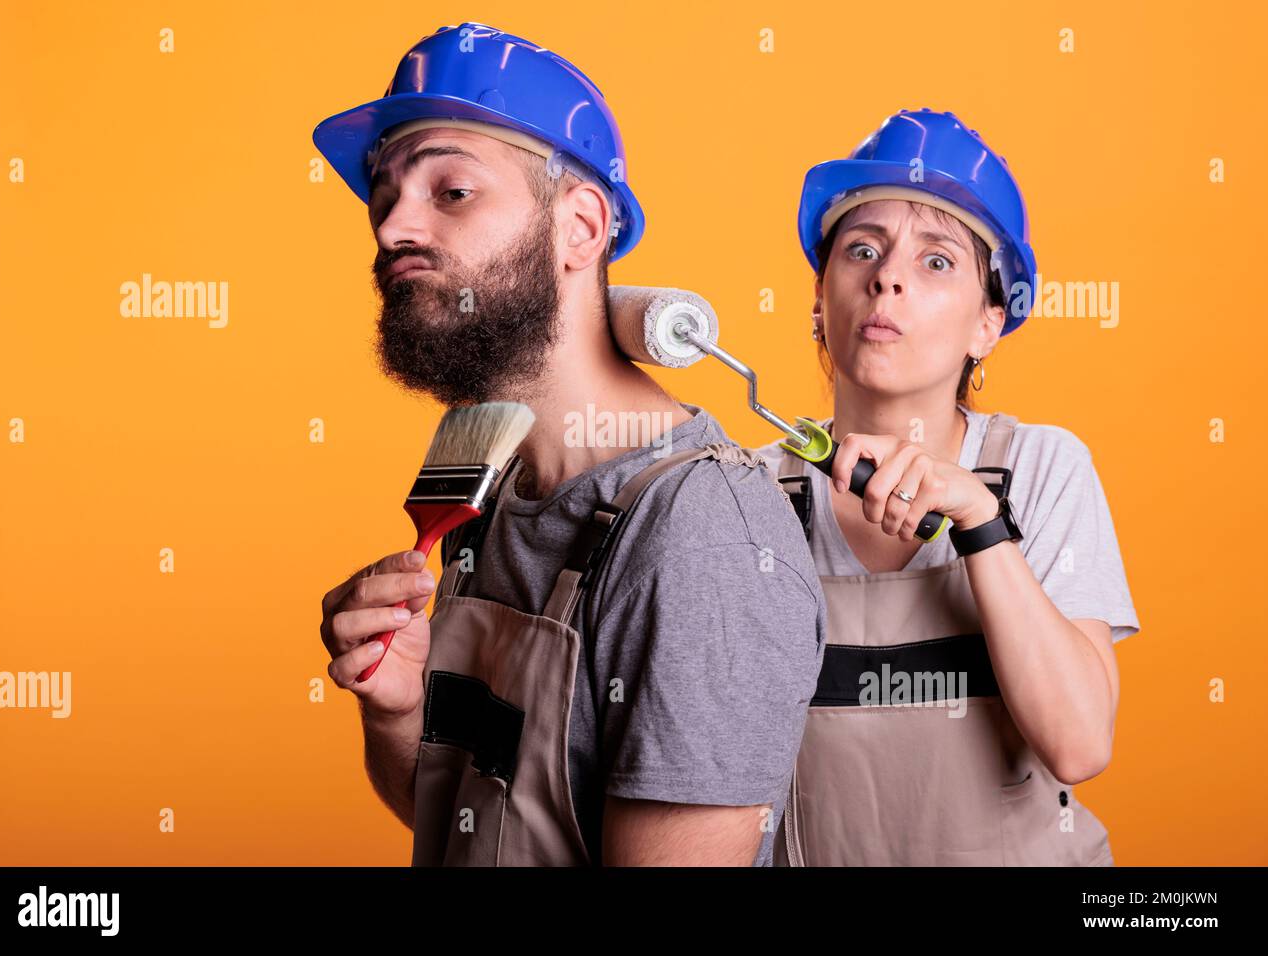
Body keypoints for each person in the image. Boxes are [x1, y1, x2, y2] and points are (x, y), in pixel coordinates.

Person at [312, 22, 825, 866]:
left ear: (581, 228)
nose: (392, 226)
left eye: (451, 191)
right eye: (386, 193)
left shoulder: (701, 536)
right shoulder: (491, 484)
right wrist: (399, 711)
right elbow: (468, 817)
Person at [753, 109, 1140, 866]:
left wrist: (981, 522)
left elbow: (1080, 742)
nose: (887, 276)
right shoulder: (751, 493)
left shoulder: (1041, 469)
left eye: (937, 262)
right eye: (862, 249)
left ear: (988, 324)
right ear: (820, 299)